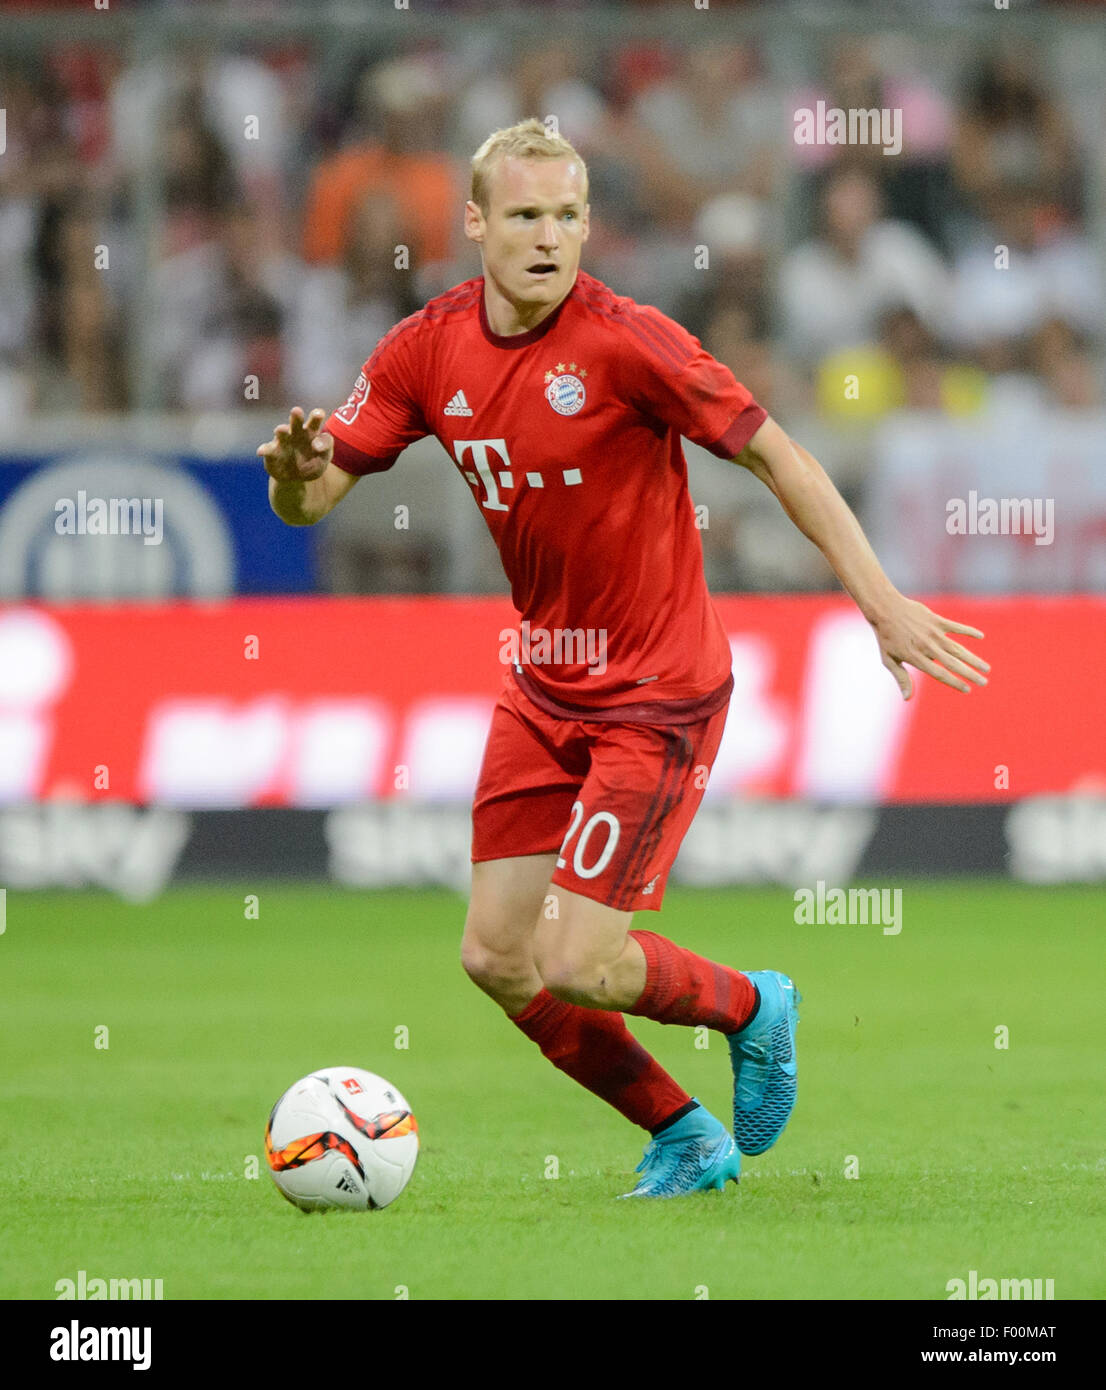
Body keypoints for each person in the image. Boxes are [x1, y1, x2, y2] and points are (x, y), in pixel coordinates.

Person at [259, 119, 989, 1199]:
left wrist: (876, 601)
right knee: (495, 957)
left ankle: (750, 1006)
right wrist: (291, 473)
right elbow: (310, 498)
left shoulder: (627, 341)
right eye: (523, 215)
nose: (548, 238)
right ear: (475, 223)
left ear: (586, 224)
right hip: (540, 685)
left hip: (655, 694)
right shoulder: (425, 349)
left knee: (576, 961)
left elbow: (775, 451)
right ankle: (683, 1134)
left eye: (566, 216)